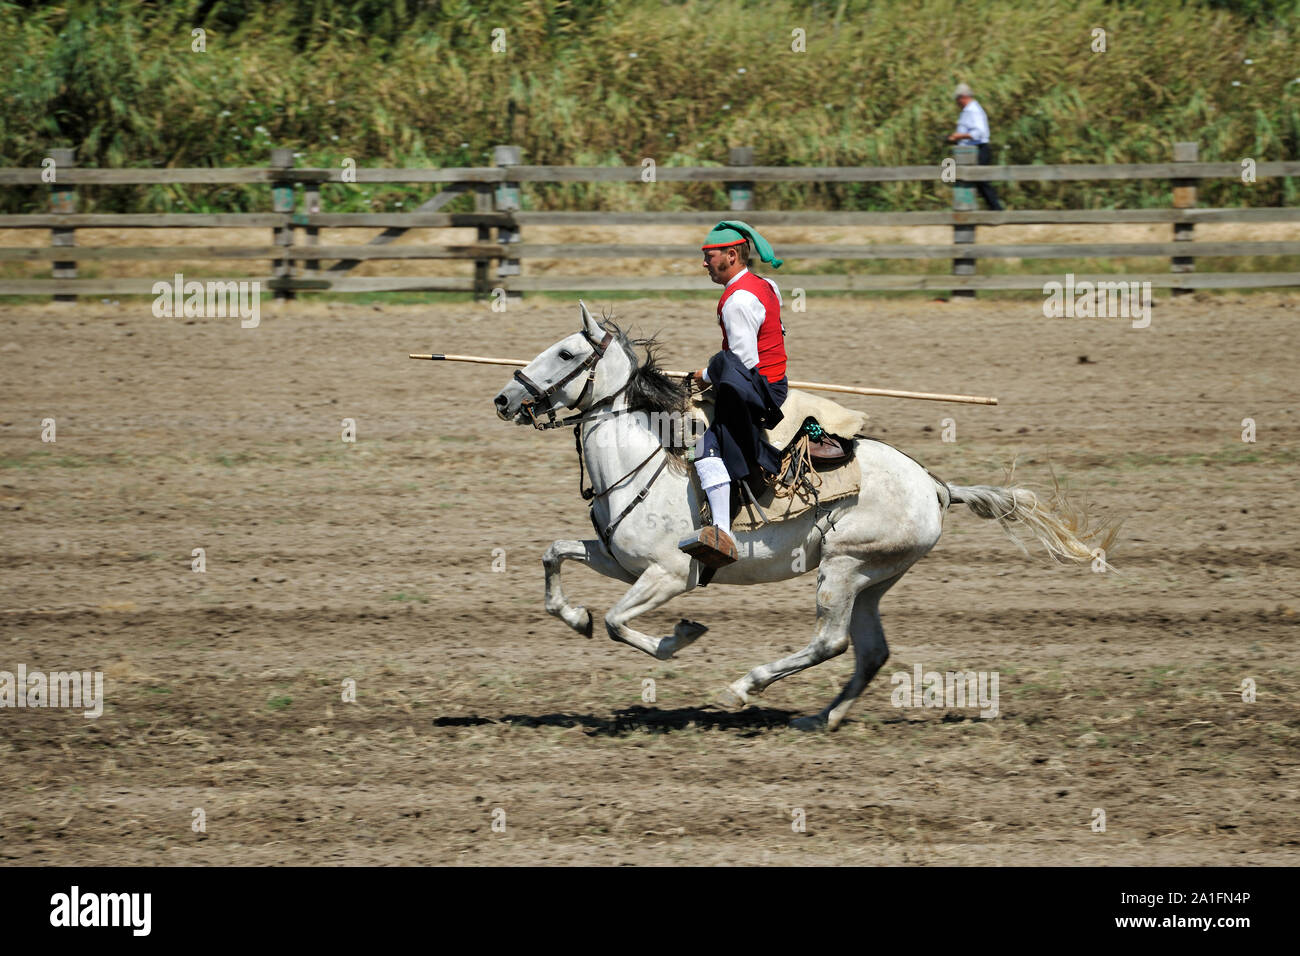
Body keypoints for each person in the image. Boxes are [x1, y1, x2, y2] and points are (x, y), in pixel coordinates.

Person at [678, 221, 788, 569]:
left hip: (759, 388)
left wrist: (705, 375)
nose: (704, 263)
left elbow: (742, 361)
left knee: (707, 445)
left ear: (731, 255)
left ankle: (721, 534)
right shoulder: (765, 285)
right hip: (771, 378)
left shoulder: (737, 300)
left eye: (709, 257)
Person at [947, 82, 1003, 211]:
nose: (957, 103)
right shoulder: (968, 111)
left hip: (978, 150)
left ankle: (996, 210)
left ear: (962, 97)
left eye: (957, 99)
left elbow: (979, 132)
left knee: (980, 180)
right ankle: (971, 208)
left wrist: (959, 137)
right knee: (970, 179)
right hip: (968, 152)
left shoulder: (973, 111)